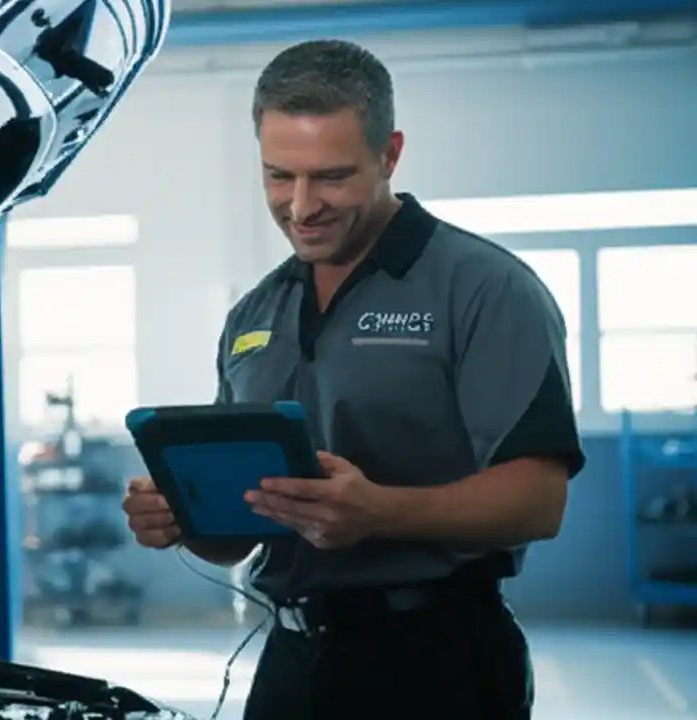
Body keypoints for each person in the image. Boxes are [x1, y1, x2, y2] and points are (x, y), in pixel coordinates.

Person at [120, 39, 584, 719]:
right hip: (290, 662)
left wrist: (377, 512)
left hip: (434, 661)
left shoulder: (484, 288)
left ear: (390, 154)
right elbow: (238, 537)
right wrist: (181, 515)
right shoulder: (256, 313)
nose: (301, 206)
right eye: (279, 176)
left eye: (331, 176)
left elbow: (539, 502)